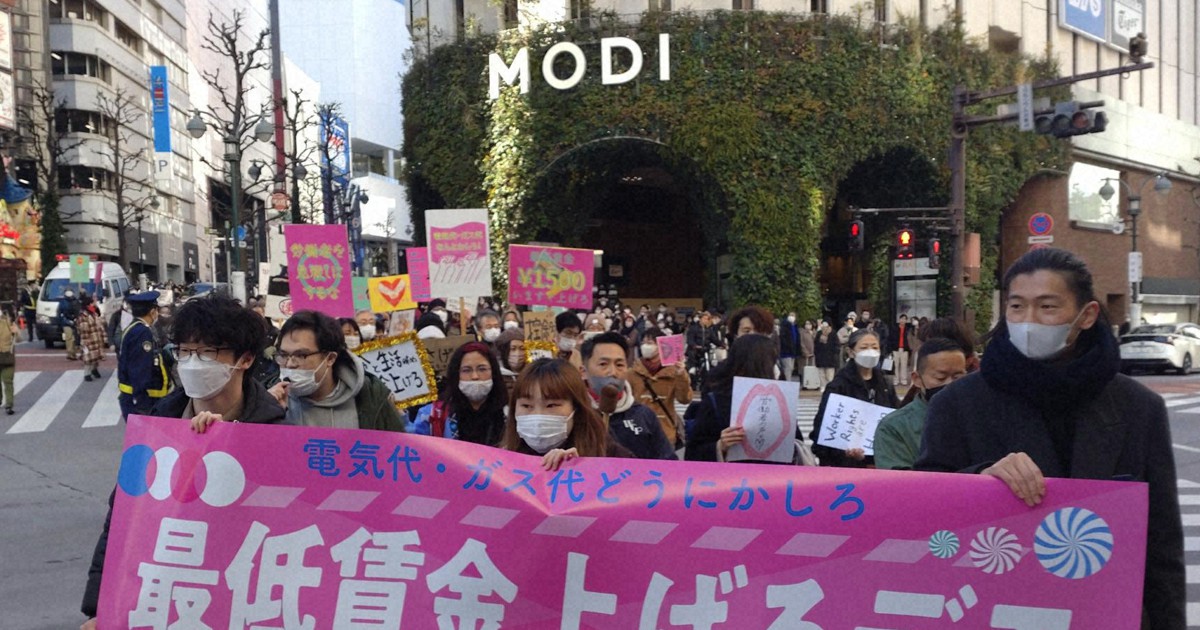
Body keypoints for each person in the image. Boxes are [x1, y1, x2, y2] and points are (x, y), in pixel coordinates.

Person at [915, 248, 1184, 627]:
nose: (1029, 321)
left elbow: (1162, 547)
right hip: (994, 608)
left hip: (1105, 610)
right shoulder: (958, 405)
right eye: (1017, 307)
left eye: (1047, 307)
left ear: (1086, 315)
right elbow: (924, 509)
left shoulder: (1138, 408)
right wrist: (981, 478)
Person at [81, 295, 288, 630]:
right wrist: (99, 607)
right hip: (170, 601)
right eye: (185, 351)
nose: (193, 362)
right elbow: (122, 520)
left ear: (246, 359)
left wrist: (231, 447)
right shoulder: (157, 426)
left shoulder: (276, 434)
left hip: (238, 604)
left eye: (207, 352)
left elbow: (289, 530)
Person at [270, 309, 405, 431]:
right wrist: (270, 413)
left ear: (330, 358)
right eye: (284, 355)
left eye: (301, 355)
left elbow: (400, 450)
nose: (290, 364)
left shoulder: (371, 397)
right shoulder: (270, 399)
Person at [686, 334, 804, 463]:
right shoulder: (717, 400)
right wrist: (720, 446)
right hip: (733, 479)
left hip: (773, 479)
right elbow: (693, 453)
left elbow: (797, 444)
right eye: (772, 361)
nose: (775, 367)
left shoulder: (780, 398)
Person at [502, 358, 631, 471]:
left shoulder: (607, 452)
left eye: (551, 405)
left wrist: (585, 469)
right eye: (526, 406)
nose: (538, 416)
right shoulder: (499, 462)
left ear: (576, 407)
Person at [809, 327, 899, 468]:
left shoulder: (885, 383)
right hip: (848, 467)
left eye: (875, 347)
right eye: (864, 347)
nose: (870, 352)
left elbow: (896, 418)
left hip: (880, 463)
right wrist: (844, 452)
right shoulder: (838, 386)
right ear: (851, 352)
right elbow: (822, 430)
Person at [580, 331, 677, 460]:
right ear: (583, 372)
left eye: (619, 365)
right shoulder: (574, 413)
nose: (613, 372)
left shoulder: (644, 415)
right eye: (603, 364)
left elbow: (669, 463)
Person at [873, 338, 967, 470]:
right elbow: (898, 483)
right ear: (917, 379)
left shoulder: (981, 416)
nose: (950, 384)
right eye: (940, 378)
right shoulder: (894, 427)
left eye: (958, 377)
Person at [411, 341, 507, 444]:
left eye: (482, 369)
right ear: (456, 375)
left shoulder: (509, 412)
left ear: (494, 372)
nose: (475, 376)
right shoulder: (432, 415)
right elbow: (413, 447)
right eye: (466, 370)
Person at [630, 328, 692, 449]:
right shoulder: (631, 373)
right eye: (643, 343)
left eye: (650, 343)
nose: (645, 346)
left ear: (661, 346)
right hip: (637, 433)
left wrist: (681, 375)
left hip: (666, 434)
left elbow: (684, 399)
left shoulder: (674, 372)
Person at [117, 291, 169, 419]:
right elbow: (140, 367)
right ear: (152, 312)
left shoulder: (134, 327)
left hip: (135, 394)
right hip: (142, 397)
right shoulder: (142, 332)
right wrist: (141, 401)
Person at [76, 294, 108, 382]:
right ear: (87, 305)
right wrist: (85, 341)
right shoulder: (83, 316)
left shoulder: (94, 313)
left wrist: (103, 336)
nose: (93, 305)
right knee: (88, 358)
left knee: (96, 356)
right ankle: (87, 374)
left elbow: (100, 324)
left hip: (97, 339)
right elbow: (83, 330)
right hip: (89, 340)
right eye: (91, 303)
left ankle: (94, 370)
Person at [496, 328, 525, 397]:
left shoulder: (532, 374)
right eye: (513, 349)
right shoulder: (496, 375)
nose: (518, 353)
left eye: (522, 348)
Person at [813, 320, 839, 391]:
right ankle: (823, 386)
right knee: (821, 374)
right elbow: (816, 345)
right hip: (820, 357)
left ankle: (830, 388)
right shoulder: (819, 333)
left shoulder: (833, 334)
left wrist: (833, 353)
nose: (824, 328)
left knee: (829, 375)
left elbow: (836, 345)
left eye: (826, 326)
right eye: (823, 326)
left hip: (830, 358)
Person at [0, 305, 17, 414]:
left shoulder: (8, 322)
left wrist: (15, 331)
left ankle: (9, 405)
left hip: (7, 355)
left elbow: (18, 339)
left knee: (8, 381)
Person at [890, 313, 914, 386]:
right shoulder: (894, 328)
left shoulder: (908, 329)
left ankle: (903, 379)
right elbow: (890, 339)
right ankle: (896, 379)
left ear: (906, 321)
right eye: (901, 319)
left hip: (905, 349)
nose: (903, 320)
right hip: (896, 349)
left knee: (904, 365)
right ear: (899, 319)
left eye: (904, 319)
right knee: (896, 365)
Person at [59, 288, 82, 359]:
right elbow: (60, 313)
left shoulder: (76, 301)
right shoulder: (63, 302)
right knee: (69, 337)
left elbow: (78, 311)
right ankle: (70, 353)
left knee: (75, 338)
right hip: (66, 322)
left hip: (75, 321)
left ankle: (74, 353)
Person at [779, 312, 800, 381]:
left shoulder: (795, 326)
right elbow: (783, 338)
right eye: (790, 315)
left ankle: (788, 381)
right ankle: (787, 382)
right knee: (788, 368)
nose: (792, 317)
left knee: (791, 368)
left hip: (793, 352)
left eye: (793, 315)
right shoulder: (785, 325)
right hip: (785, 351)